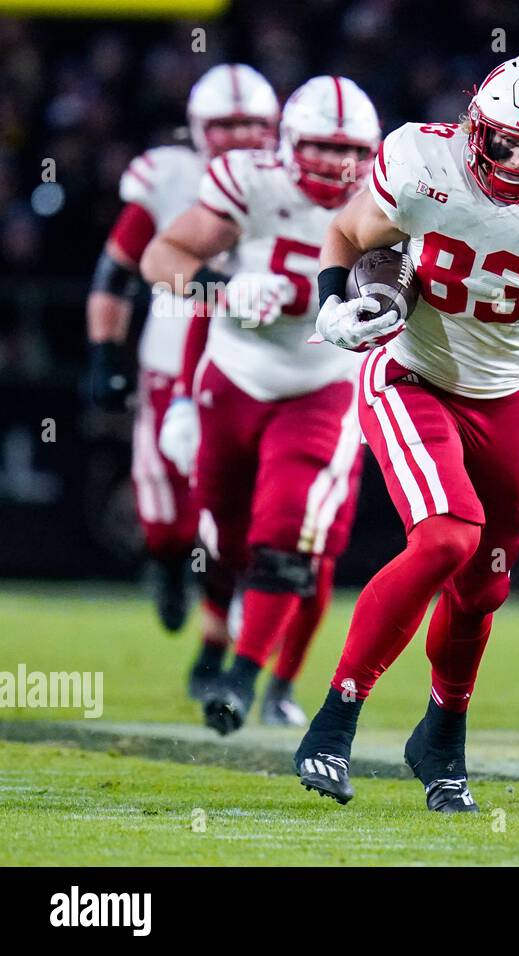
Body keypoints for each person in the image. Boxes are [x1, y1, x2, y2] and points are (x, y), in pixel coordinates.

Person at [293, 54, 519, 812]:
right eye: (504, 142)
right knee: (449, 536)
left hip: (506, 400)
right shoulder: (423, 160)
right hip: (410, 375)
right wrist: (330, 304)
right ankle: (335, 720)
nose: (517, 162)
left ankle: (442, 735)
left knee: (482, 585)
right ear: (473, 127)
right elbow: (346, 233)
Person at [140, 76, 381, 730]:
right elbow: (162, 256)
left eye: (351, 149)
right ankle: (226, 642)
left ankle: (246, 683)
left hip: (322, 383)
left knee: (289, 538)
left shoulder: (392, 195)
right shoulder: (250, 181)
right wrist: (222, 290)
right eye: (323, 147)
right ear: (290, 143)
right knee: (223, 535)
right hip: (237, 376)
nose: (337, 164)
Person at [85, 64, 278, 694]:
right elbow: (116, 271)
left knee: (233, 506)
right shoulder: (170, 176)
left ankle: (223, 629)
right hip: (173, 353)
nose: (240, 135)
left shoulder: (292, 181)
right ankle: (169, 561)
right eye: (225, 124)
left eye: (251, 122)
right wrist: (104, 354)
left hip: (253, 358)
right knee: (167, 515)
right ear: (198, 129)